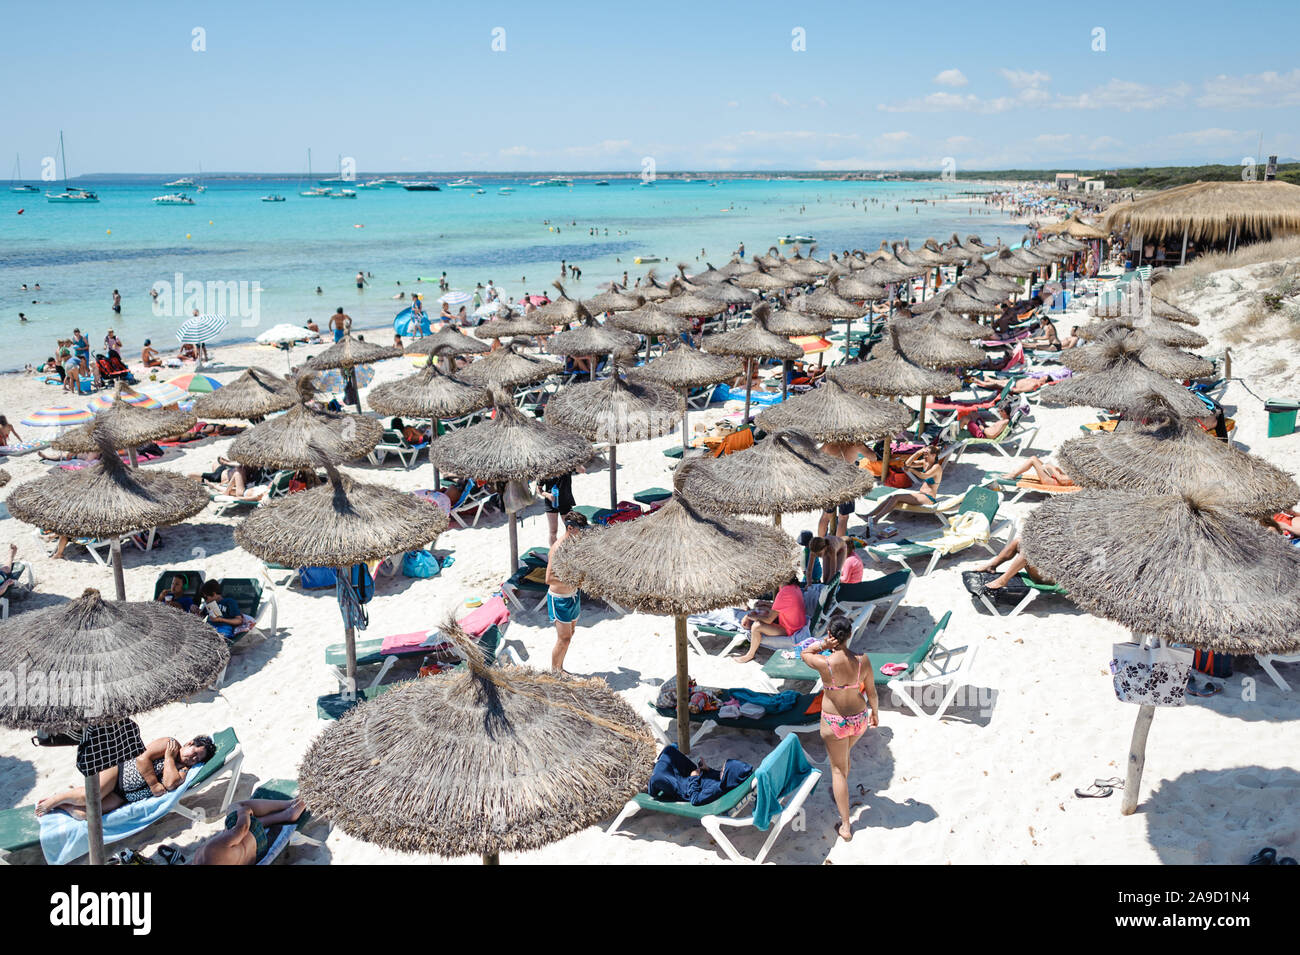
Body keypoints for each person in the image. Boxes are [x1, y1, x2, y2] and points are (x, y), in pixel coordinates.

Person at [799, 616, 878, 841]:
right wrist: (876, 714)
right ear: (850, 634)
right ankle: (840, 793)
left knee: (837, 769)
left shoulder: (826, 664)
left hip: (835, 721)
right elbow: (871, 692)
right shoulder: (863, 661)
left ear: (831, 635)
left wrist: (824, 645)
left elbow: (805, 653)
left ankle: (845, 824)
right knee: (843, 760)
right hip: (859, 718)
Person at [36, 735, 217, 818]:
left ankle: (65, 802)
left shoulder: (182, 769)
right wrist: (154, 784)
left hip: (123, 796)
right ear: (190, 743)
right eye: (194, 752)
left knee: (86, 814)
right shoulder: (170, 744)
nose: (192, 758)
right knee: (91, 796)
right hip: (118, 773)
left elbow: (170, 784)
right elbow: (141, 758)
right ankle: (56, 799)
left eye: (196, 759)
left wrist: (169, 759)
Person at [189, 797, 307, 865]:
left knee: (234, 837)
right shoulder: (209, 852)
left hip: (258, 852)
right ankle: (289, 805)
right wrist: (243, 812)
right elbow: (242, 830)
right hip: (253, 832)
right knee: (235, 807)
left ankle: (285, 815)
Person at [545, 512, 588, 671]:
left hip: (573, 596)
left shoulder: (575, 545)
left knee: (570, 635)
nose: (583, 533)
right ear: (570, 528)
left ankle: (560, 668)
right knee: (563, 639)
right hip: (559, 599)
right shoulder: (557, 549)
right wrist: (573, 581)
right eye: (580, 530)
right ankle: (555, 672)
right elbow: (548, 579)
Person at [736, 576, 806, 663]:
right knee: (760, 607)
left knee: (756, 626)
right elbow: (782, 606)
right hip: (796, 623)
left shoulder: (784, 593)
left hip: (790, 629)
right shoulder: (793, 587)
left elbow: (769, 619)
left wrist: (749, 616)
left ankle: (750, 655)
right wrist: (765, 603)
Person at [818, 439, 876, 537]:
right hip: (847, 481)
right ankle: (838, 545)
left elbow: (815, 455)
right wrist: (864, 446)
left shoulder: (829, 443)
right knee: (843, 518)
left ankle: (819, 542)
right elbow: (873, 458)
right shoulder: (856, 444)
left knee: (826, 515)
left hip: (830, 480)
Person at [964, 534, 1055, 595]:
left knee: (1028, 552)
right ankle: (992, 566)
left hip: (1052, 578)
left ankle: (1003, 580)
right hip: (1049, 567)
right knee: (1019, 540)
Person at [538, 469, 582, 545]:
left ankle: (570, 549)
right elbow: (538, 489)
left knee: (571, 529)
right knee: (553, 531)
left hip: (565, 502)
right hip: (551, 502)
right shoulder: (545, 469)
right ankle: (554, 553)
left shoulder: (567, 465)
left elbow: (582, 470)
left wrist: (577, 463)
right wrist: (547, 495)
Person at [997, 455, 1074, 487]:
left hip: (1052, 482)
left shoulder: (1079, 477)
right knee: (1035, 459)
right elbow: (1062, 477)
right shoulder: (1080, 474)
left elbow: (1061, 479)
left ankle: (1013, 475)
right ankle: (1013, 474)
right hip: (1053, 478)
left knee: (1033, 459)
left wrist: (1052, 468)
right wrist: (1057, 470)